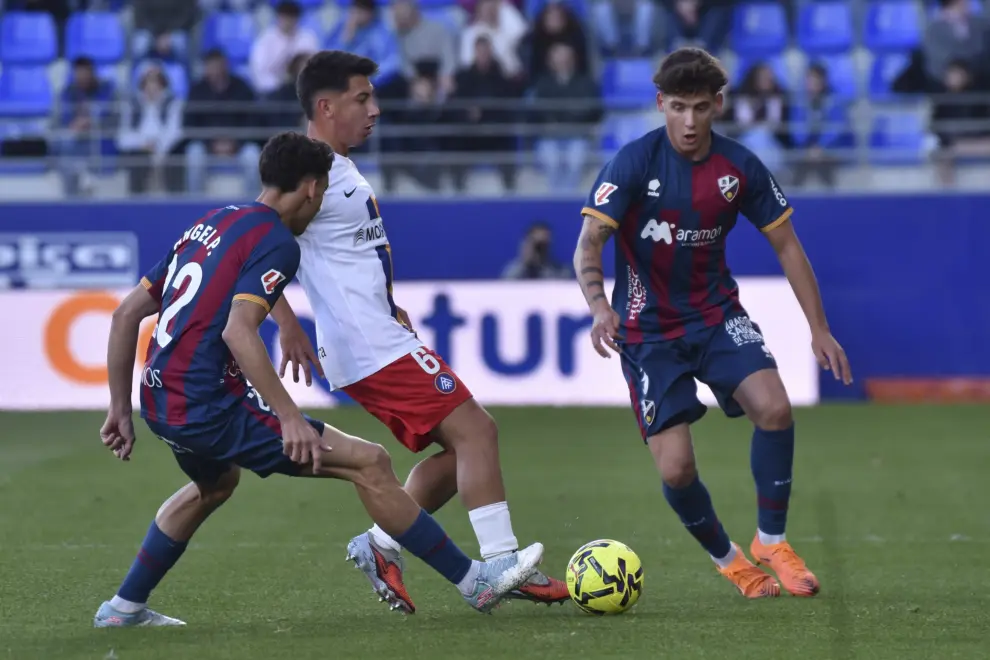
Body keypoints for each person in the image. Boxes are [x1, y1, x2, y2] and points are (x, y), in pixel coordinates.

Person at [93, 131, 543, 627]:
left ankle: (123, 608)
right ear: (310, 188)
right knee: (370, 463)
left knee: (215, 484)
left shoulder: (213, 222)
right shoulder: (279, 243)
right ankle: (473, 582)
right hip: (208, 403)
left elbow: (126, 314)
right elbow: (239, 332)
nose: (323, 201)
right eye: (325, 191)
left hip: (158, 398)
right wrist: (290, 418)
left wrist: (119, 406)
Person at [269, 50, 568, 614]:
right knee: (477, 431)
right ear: (326, 107)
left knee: (460, 454)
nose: (375, 109)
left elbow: (343, 254)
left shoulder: (336, 165)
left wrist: (387, 303)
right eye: (363, 99)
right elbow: (255, 242)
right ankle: (501, 562)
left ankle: (380, 545)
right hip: (368, 345)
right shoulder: (307, 176)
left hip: (377, 333)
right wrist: (286, 320)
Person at [573, 48, 852, 599]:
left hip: (717, 315)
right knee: (676, 469)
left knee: (774, 407)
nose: (691, 121)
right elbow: (590, 241)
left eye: (701, 107)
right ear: (661, 104)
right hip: (647, 331)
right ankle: (733, 563)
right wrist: (599, 305)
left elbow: (788, 248)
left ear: (718, 104)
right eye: (679, 107)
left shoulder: (740, 167)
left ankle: (772, 541)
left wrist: (819, 328)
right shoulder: (633, 163)